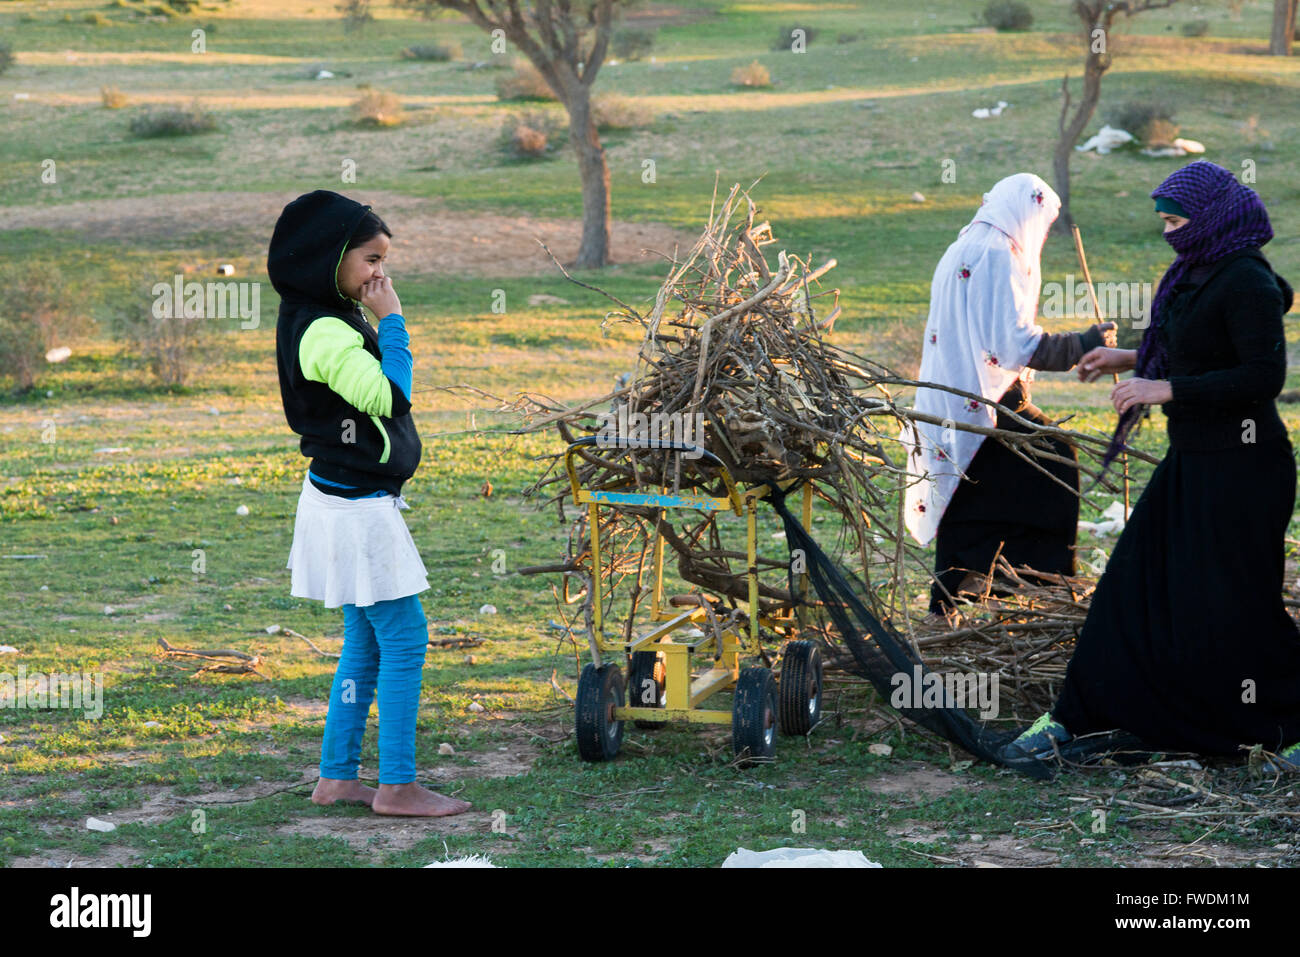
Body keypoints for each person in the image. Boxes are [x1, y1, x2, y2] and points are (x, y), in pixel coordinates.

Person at [1002, 161, 1300, 774]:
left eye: (1176, 221)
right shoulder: (1197, 268)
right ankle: (1076, 720)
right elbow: (1197, 350)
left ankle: (1286, 727)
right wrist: (1128, 359)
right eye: (1164, 222)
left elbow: (1263, 376)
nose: (1169, 233)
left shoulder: (1247, 280)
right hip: (1193, 462)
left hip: (1246, 472)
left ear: (1211, 218)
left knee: (1240, 606)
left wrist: (1166, 391)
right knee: (1131, 589)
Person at [269, 189, 472, 816]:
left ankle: (336, 778)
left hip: (341, 497)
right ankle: (399, 786)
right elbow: (389, 397)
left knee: (364, 638)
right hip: (355, 508)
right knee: (406, 636)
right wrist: (395, 324)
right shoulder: (325, 330)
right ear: (331, 259)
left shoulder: (319, 313)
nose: (380, 273)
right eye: (369, 259)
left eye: (385, 260)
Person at [902, 172, 1116, 617]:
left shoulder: (965, 245)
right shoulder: (997, 254)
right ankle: (1046, 588)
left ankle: (957, 597)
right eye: (1044, 223)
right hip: (988, 403)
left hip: (954, 399)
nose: (1043, 234)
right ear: (1028, 212)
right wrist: (1085, 342)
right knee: (1053, 460)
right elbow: (1015, 344)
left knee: (973, 494)